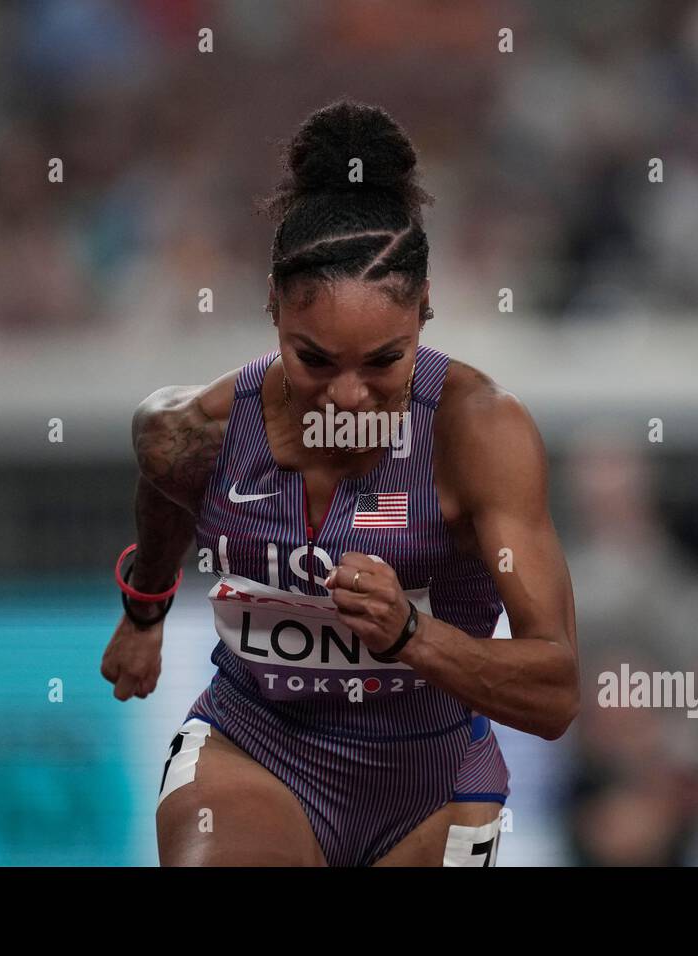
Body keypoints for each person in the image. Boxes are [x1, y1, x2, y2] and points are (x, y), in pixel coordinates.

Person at [100, 100, 579, 866]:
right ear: (271, 306)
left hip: (434, 781)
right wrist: (145, 609)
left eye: (385, 361)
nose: (348, 396)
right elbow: (166, 493)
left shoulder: (481, 433)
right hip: (256, 751)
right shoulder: (189, 431)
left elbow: (554, 690)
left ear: (425, 311)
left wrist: (410, 637)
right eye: (313, 359)